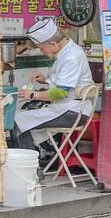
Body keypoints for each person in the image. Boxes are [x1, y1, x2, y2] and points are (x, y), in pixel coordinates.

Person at [12, 17, 93, 154]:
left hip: (72, 111)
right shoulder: (68, 51)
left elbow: (60, 92)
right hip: (68, 107)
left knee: (17, 120)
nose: (42, 52)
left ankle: (30, 168)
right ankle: (32, 164)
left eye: (42, 48)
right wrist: (45, 80)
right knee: (21, 119)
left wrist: (32, 95)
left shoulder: (71, 57)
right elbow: (64, 82)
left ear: (53, 44)